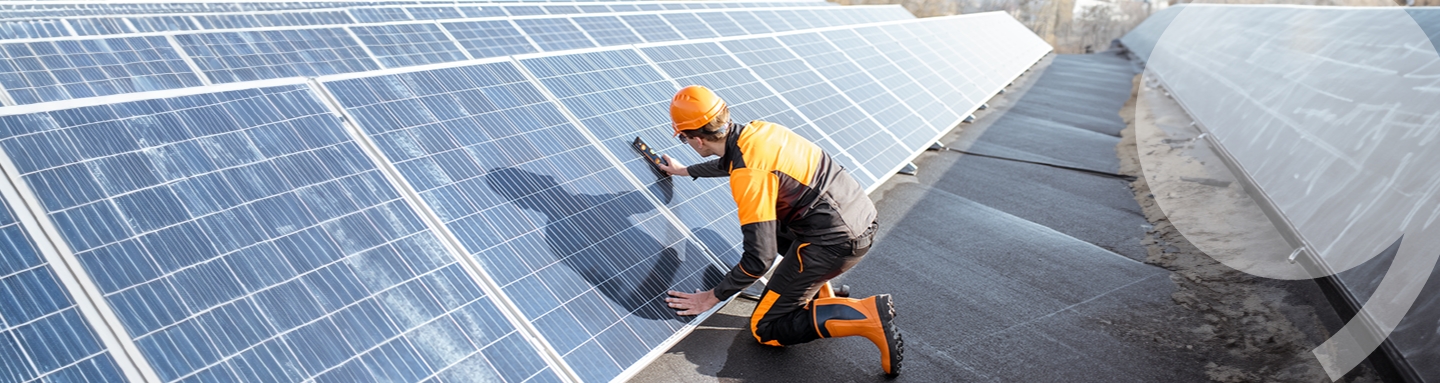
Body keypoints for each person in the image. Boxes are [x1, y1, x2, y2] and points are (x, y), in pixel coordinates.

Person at [659, 85, 904, 375]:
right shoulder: (759, 131)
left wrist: (712, 296)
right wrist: (685, 171)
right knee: (773, 222)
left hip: (835, 243)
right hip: (857, 218)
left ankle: (865, 315)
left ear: (697, 140)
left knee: (766, 328)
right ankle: (818, 293)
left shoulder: (749, 174)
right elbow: (733, 161)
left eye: (684, 138)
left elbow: (758, 260)